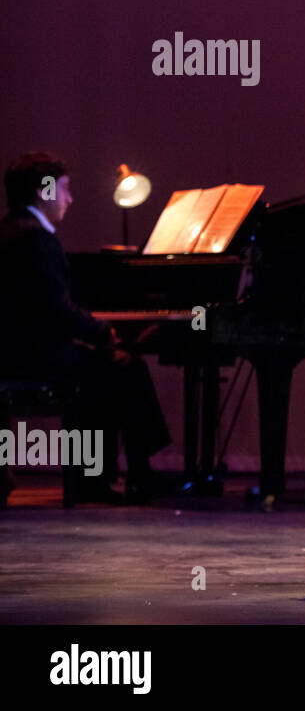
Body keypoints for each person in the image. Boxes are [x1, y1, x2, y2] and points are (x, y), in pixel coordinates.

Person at [0, 152, 172, 504]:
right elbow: (55, 310)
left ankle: (96, 476)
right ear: (43, 190)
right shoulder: (36, 239)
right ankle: (138, 474)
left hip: (13, 351)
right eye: (64, 189)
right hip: (31, 357)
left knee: (104, 366)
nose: (70, 198)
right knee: (125, 366)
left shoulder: (8, 232)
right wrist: (100, 329)